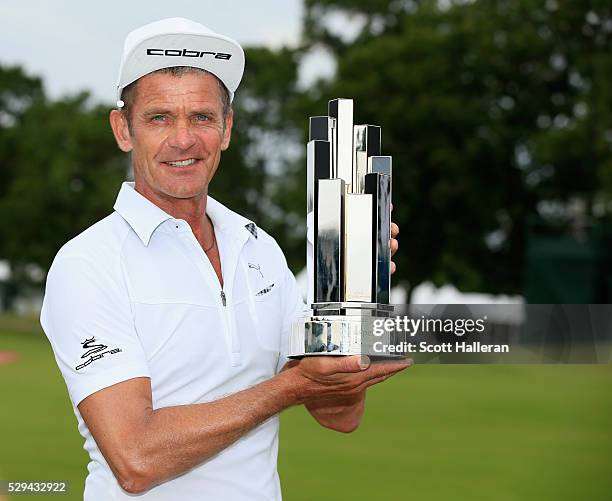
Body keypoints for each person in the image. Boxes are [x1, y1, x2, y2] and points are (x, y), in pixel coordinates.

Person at [40, 18, 408, 500]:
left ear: (227, 128)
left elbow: (340, 415)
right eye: (158, 118)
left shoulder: (260, 247)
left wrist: (345, 306)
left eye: (201, 117)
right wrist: (290, 387)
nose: (184, 140)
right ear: (123, 129)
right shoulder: (86, 263)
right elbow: (136, 459)